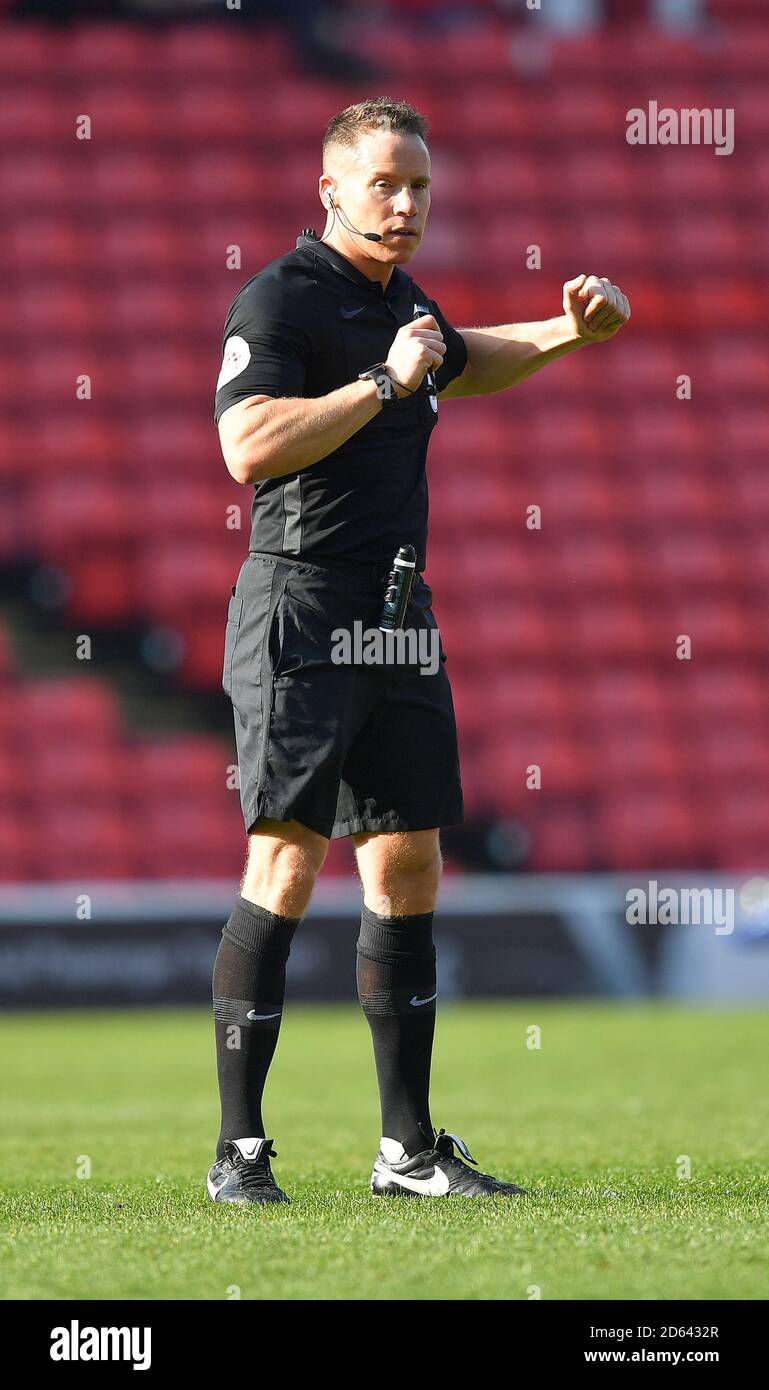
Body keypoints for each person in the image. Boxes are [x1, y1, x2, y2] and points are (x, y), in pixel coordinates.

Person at [209, 96, 630, 1205]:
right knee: (288, 863)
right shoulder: (283, 296)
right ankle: (238, 1152)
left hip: (395, 616)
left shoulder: (402, 302)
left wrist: (561, 333)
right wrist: (379, 383)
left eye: (420, 186)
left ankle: (408, 1149)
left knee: (404, 861)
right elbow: (244, 446)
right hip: (299, 607)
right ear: (331, 191)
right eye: (385, 183)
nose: (404, 204)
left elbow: (458, 359)